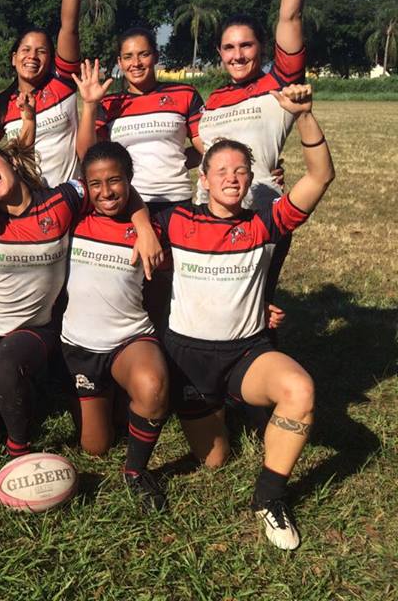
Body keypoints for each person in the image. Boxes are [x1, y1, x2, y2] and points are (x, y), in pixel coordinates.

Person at [155, 84, 334, 550]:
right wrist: (138, 228)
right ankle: (229, 408)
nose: (232, 179)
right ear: (205, 179)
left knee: (300, 391)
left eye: (241, 171)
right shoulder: (176, 220)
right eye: (221, 171)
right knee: (214, 460)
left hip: (244, 354)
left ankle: (270, 497)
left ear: (252, 177)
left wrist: (305, 116)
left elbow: (319, 177)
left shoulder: (265, 222)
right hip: (187, 361)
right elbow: (123, 209)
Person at [0, 100, 162, 457]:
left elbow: (110, 186)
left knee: (8, 366)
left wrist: (143, 224)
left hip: (34, 328)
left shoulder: (62, 200)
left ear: (11, 160)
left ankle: (20, 451)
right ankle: (20, 395)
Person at [197, 0, 306, 305]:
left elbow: (290, 17)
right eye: (228, 47)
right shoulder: (214, 99)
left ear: (262, 49)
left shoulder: (279, 86)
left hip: (260, 215)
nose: (237, 54)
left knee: (255, 308)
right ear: (219, 52)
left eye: (246, 45)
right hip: (207, 215)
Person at [60, 141, 170, 511]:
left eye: (116, 181)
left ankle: (136, 471)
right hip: (79, 346)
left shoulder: (150, 229)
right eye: (96, 184)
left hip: (128, 338)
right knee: (95, 446)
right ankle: (112, 397)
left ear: (130, 181)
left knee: (152, 386)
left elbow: (161, 292)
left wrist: (143, 223)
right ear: (85, 186)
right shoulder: (73, 218)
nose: (106, 192)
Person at [74, 38, 204, 331]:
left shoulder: (184, 93)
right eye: (128, 57)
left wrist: (179, 161)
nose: (136, 63)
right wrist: (91, 105)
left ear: (155, 56)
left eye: (144, 54)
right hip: (128, 205)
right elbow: (86, 154)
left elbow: (204, 147)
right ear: (119, 62)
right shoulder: (110, 103)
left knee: (175, 286)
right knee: (134, 283)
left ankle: (170, 352)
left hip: (176, 204)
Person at [0, 0, 81, 187]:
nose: (32, 57)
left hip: (68, 199)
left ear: (51, 59)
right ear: (13, 57)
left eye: (41, 51)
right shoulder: (1, 105)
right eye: (26, 50)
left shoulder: (63, 83)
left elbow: (69, 26)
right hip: (26, 204)